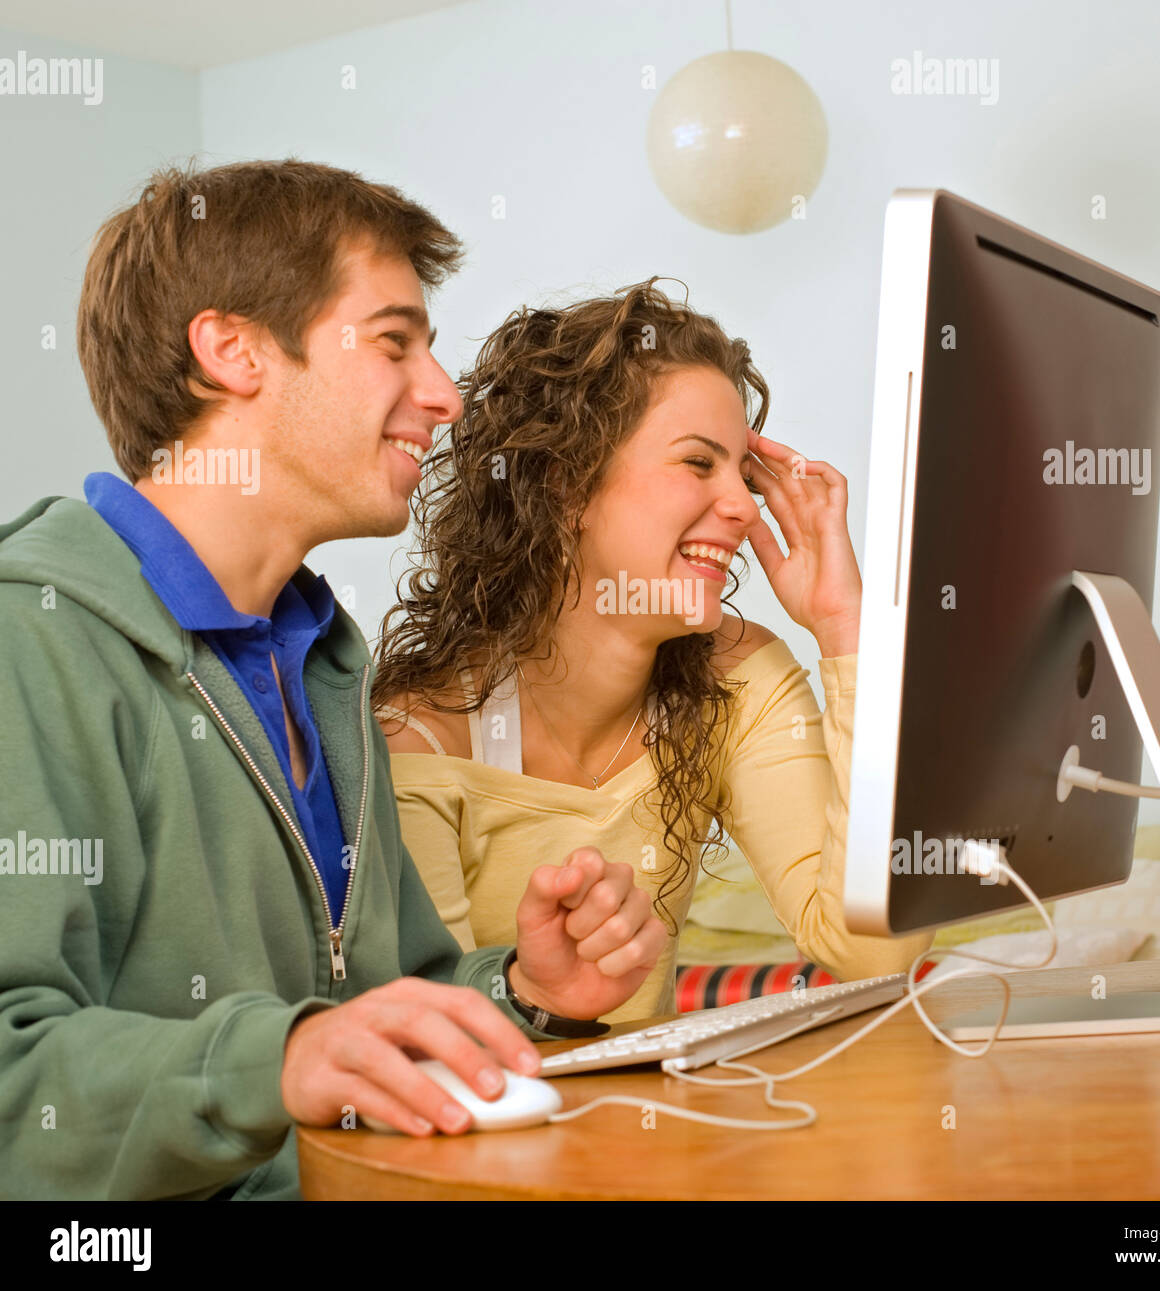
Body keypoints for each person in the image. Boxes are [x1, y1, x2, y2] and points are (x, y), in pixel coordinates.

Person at [0, 159, 665, 1202]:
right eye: (394, 342)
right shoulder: (27, 639)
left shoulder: (323, 658)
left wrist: (529, 990)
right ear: (232, 351)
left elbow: (377, 1002)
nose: (444, 394)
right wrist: (277, 1061)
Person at [373, 282, 933, 1024]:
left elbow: (874, 952)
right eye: (699, 463)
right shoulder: (420, 741)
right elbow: (435, 1033)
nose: (743, 507)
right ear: (567, 486)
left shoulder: (738, 678)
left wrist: (846, 626)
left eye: (743, 473)